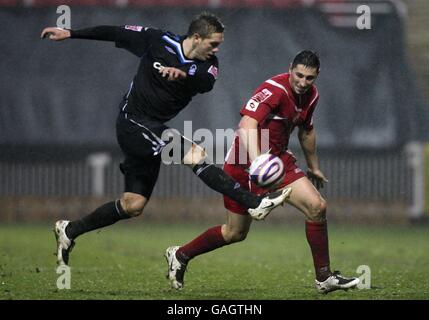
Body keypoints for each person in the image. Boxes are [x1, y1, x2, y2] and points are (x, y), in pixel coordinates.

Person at [41, 12, 291, 267]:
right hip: (132, 122)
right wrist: (71, 33)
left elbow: (205, 82)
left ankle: (70, 230)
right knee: (194, 154)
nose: (216, 49)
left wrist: (184, 75)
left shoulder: (210, 66)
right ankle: (254, 202)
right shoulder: (157, 40)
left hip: (151, 129)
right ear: (196, 37)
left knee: (133, 205)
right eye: (213, 43)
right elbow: (115, 32)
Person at [165, 50, 360, 294]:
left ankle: (324, 277)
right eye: (298, 75)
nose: (302, 82)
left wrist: (314, 167)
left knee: (317, 206)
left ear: (317, 76)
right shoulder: (274, 89)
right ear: (290, 68)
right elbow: (247, 123)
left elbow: (307, 131)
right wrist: (258, 162)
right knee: (234, 233)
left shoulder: (312, 95)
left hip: (278, 162)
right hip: (242, 165)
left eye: (309, 78)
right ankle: (180, 255)